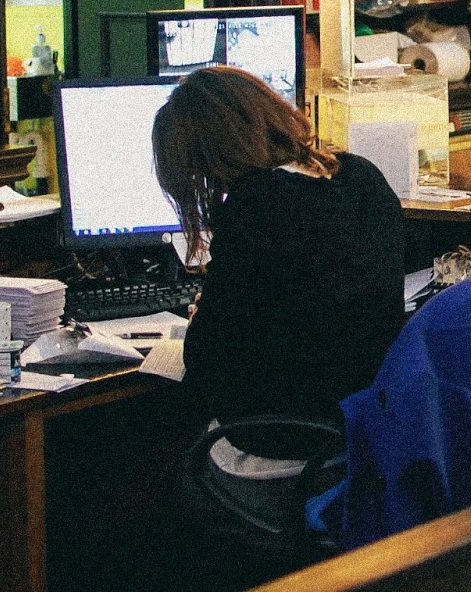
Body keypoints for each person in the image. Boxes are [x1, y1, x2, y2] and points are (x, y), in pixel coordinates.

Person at [151, 65, 406, 428]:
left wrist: (203, 320)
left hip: (282, 439)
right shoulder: (362, 176)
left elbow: (207, 362)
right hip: (367, 431)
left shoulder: (254, 204)